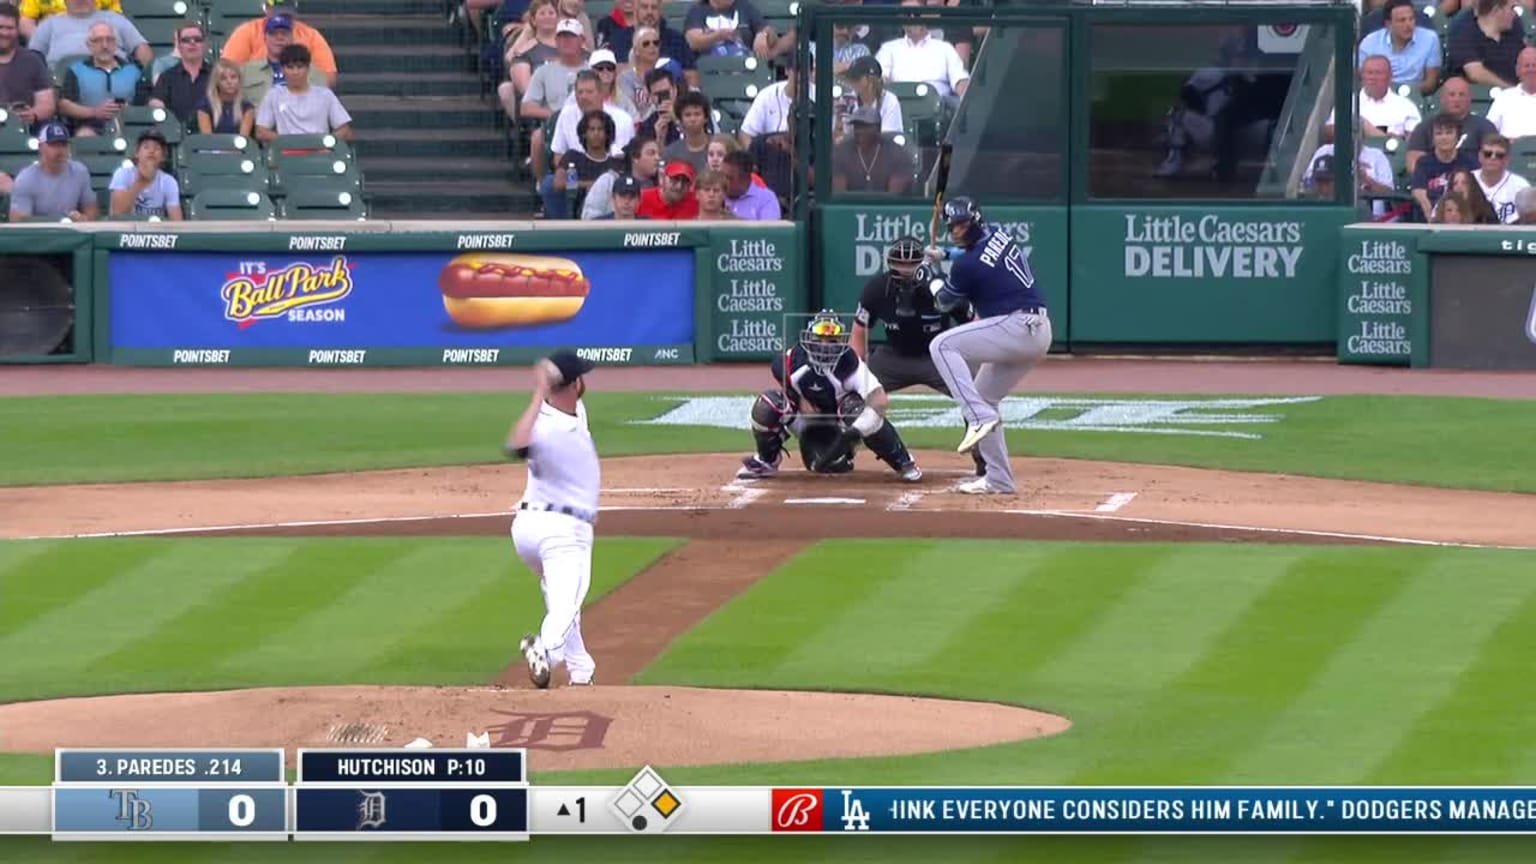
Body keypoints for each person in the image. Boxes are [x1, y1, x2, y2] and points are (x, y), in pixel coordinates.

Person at [923, 196, 1052, 496]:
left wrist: (932, 276)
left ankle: (978, 415)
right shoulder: (996, 232)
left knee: (941, 345)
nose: (956, 230)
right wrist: (944, 254)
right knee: (985, 395)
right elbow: (973, 253)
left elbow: (943, 302)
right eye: (952, 226)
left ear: (975, 220)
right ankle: (999, 479)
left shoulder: (967, 266)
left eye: (962, 224)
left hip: (1018, 327)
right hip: (1037, 330)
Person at [735, 309, 923, 483]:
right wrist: (800, 399)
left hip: (840, 426)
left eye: (831, 340)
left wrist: (855, 432)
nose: (825, 345)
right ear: (809, 338)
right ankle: (767, 461)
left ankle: (902, 461)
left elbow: (879, 400)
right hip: (806, 421)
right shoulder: (791, 361)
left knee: (856, 410)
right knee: (769, 403)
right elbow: (781, 373)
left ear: (840, 342)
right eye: (820, 338)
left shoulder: (850, 365)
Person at [852, 236, 984, 477]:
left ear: (923, 264)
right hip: (893, 358)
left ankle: (984, 456)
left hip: (937, 356)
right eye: (898, 265)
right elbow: (859, 330)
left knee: (977, 395)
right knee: (849, 393)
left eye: (911, 265)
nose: (904, 271)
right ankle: (845, 450)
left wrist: (970, 363)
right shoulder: (877, 288)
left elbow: (975, 325)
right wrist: (854, 372)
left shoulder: (943, 289)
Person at [507, 350, 601, 689]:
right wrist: (540, 391)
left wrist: (544, 386)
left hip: (528, 529)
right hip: (564, 532)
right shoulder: (544, 426)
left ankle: (580, 669)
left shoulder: (574, 413)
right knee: (566, 605)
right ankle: (543, 651)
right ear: (576, 383)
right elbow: (516, 446)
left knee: (560, 596)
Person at [218, 0, 338, 87]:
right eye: (277, 14)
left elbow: (328, 76)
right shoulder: (247, 32)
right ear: (266, 9)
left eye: (286, 15)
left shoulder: (310, 35)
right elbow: (226, 70)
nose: (281, 19)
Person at [253, 43, 352, 142]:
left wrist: (324, 142)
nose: (295, 72)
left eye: (300, 67)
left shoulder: (325, 95)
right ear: (282, 70)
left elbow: (344, 129)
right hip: (286, 152)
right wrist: (289, 142)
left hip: (320, 151)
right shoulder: (274, 95)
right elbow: (261, 132)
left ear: (308, 68)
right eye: (290, 67)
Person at [8, 120, 97, 221]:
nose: (59, 150)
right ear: (40, 147)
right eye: (53, 145)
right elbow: (19, 221)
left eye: (63, 145)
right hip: (39, 234)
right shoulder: (26, 178)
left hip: (72, 233)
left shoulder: (79, 172)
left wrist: (83, 219)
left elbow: (91, 210)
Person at [1357, 0, 1441, 95]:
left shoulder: (1430, 39)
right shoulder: (1370, 42)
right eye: (1402, 20)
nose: (1408, 25)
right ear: (1388, 24)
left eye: (1411, 19)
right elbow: (1362, 79)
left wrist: (1404, 91)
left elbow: (1431, 83)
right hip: (1379, 95)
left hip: (1416, 96)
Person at [1410, 112, 1478, 220]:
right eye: (1439, 133)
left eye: (1449, 132)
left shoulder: (1470, 162)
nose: (1444, 137)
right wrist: (1432, 218)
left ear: (1458, 136)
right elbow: (1418, 192)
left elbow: (1476, 194)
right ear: (1432, 138)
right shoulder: (1423, 163)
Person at [0, 2, 56, 130]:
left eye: (10, 28)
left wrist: (34, 114)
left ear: (18, 29)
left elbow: (47, 103)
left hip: (23, 129)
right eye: (0, 27)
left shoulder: (32, 60)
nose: (4, 33)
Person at [108, 128, 181, 219]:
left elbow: (176, 220)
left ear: (163, 157)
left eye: (157, 148)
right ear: (137, 153)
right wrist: (140, 182)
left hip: (155, 230)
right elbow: (117, 213)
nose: (151, 151)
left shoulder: (169, 181)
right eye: (146, 147)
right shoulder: (123, 174)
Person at [148, 20, 210, 129]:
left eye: (197, 39)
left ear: (204, 45)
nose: (192, 43)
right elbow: (156, 102)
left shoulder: (217, 75)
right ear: (179, 46)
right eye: (186, 40)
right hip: (176, 135)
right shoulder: (167, 77)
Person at [197, 59, 255, 136]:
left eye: (233, 77)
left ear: (239, 80)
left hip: (238, 147)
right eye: (223, 78)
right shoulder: (204, 105)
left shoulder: (247, 107)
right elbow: (207, 139)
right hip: (212, 147)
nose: (229, 82)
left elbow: (243, 138)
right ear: (216, 82)